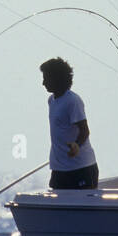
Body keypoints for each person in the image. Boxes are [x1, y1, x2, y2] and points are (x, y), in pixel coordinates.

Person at [40, 57, 98, 190]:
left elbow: (84, 131)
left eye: (46, 78)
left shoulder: (72, 101)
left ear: (57, 79)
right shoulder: (51, 101)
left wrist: (76, 145)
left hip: (80, 168)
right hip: (59, 168)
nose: (43, 83)